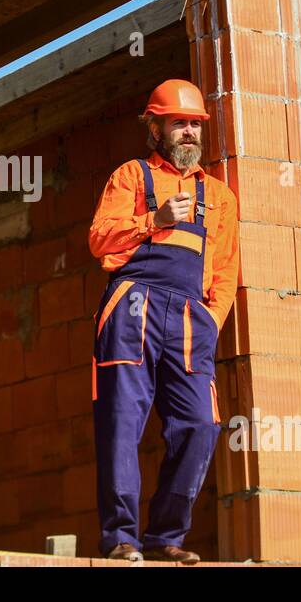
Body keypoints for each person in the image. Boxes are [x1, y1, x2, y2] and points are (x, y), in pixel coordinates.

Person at [88, 78, 240, 564]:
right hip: (133, 306)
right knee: (122, 421)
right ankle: (120, 539)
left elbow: (225, 269)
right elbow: (99, 241)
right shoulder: (131, 177)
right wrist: (155, 222)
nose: (190, 132)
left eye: (196, 124)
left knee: (199, 424)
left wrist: (211, 320)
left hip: (192, 317)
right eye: (180, 123)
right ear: (155, 127)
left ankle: (165, 537)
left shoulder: (219, 197)